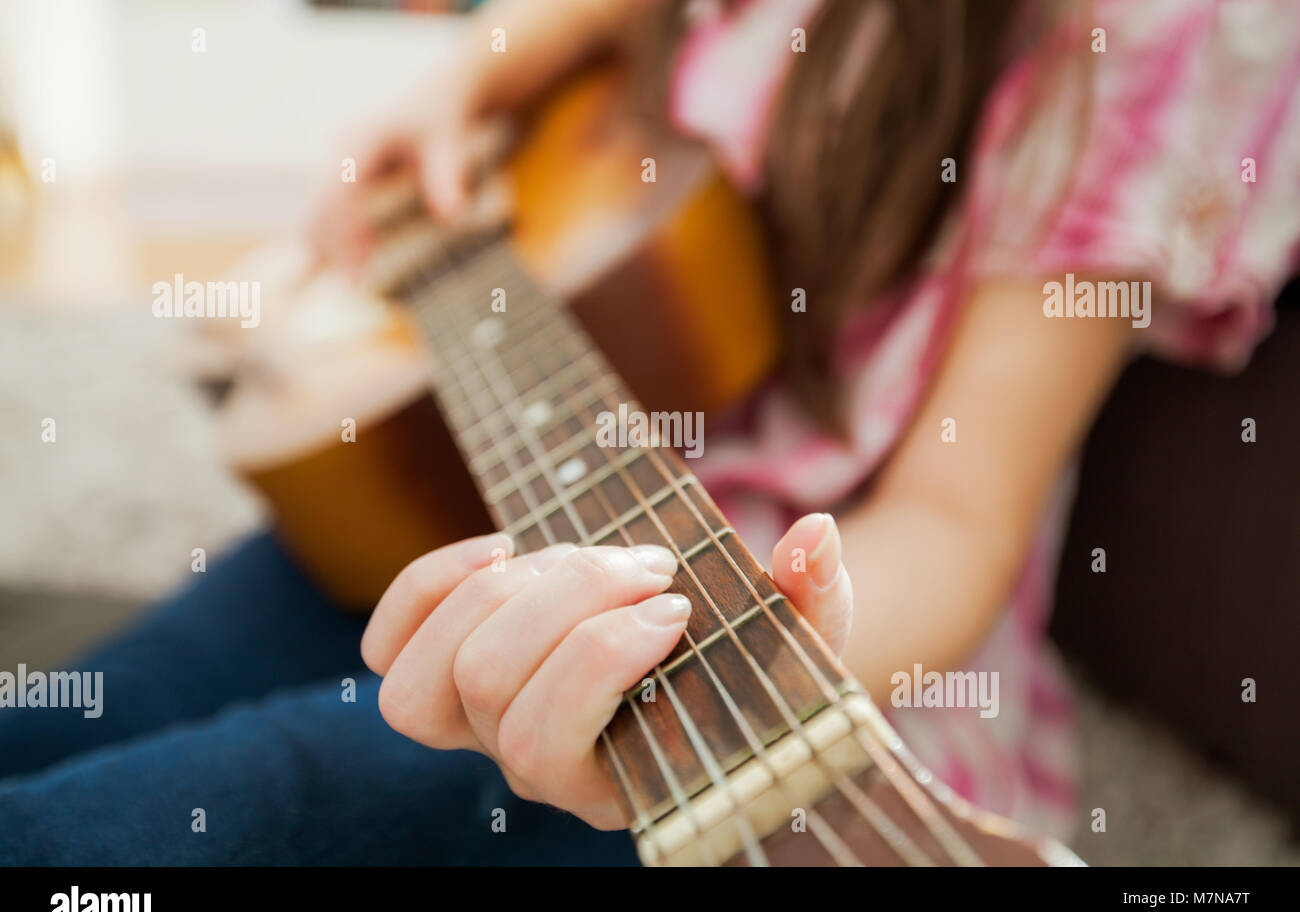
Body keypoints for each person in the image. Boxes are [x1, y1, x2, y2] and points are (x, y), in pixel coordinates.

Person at [2, 0, 1297, 863]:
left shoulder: (1158, 32)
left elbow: (956, 522)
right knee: (62, 720)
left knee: (164, 819)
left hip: (746, 629)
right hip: (468, 479)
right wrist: (475, 72)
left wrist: (783, 656)